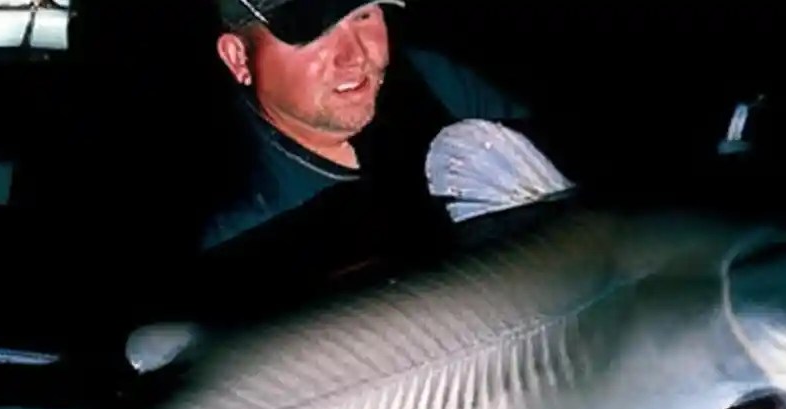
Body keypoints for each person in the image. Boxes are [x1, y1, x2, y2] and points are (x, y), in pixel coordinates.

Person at [196, 0, 573, 254]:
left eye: (363, 15)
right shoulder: (237, 222)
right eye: (311, 32)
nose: (355, 56)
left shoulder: (436, 83)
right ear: (238, 58)